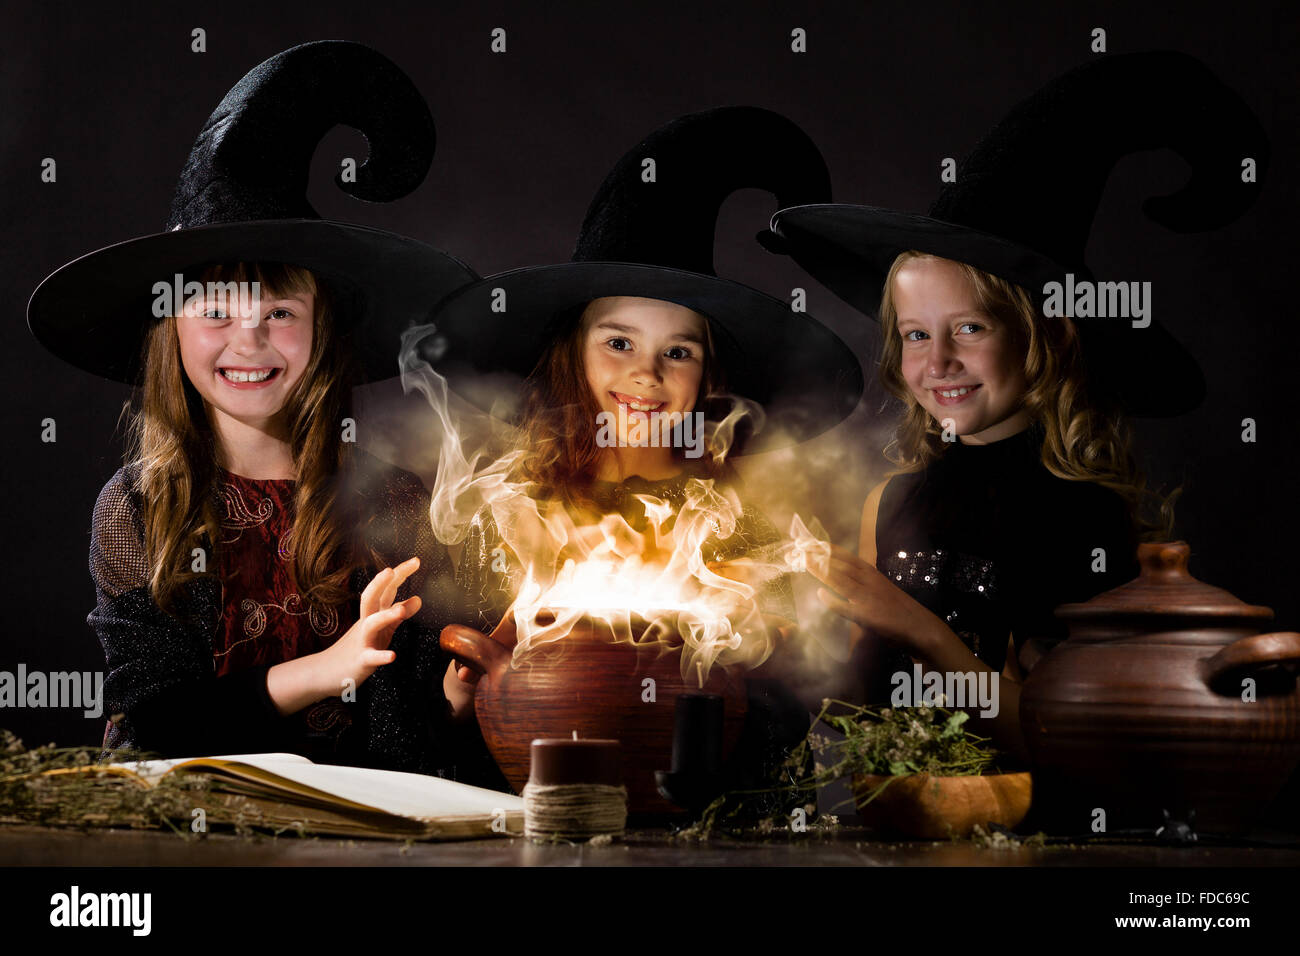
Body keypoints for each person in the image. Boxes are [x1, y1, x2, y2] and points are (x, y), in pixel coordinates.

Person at [769, 51, 1268, 760]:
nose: (937, 362)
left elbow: (1056, 731)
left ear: (1048, 336)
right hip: (887, 826)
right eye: (915, 334)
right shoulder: (890, 500)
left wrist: (920, 628)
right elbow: (858, 704)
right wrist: (786, 642)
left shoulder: (1080, 516)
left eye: (969, 328)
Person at [27, 42, 479, 773]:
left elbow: (405, 746)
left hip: (348, 836)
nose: (250, 341)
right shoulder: (141, 509)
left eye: (279, 312)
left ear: (322, 327)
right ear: (170, 327)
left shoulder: (394, 502)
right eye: (215, 311)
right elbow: (159, 724)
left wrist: (457, 698)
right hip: (179, 828)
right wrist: (331, 667)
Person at [422, 107, 863, 798]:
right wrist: (460, 700)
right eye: (619, 342)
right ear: (574, 352)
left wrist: (748, 665)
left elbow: (785, 748)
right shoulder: (501, 518)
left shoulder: (748, 530)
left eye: (678, 352)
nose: (646, 375)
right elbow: (436, 755)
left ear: (711, 379)